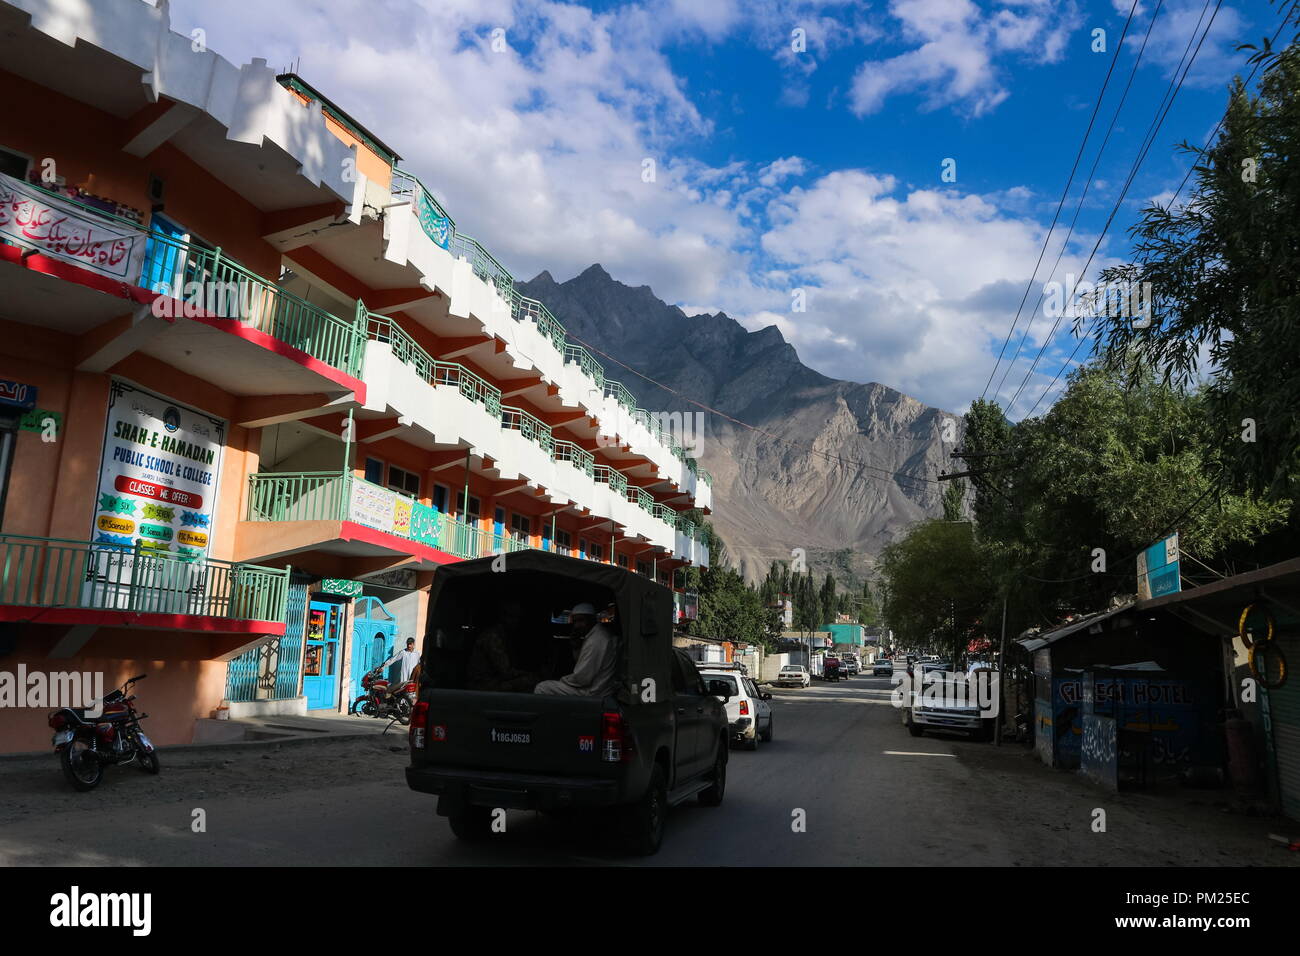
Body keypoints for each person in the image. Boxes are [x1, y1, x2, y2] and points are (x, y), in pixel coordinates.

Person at [534, 602, 618, 697]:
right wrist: (576, 647)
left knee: (542, 687)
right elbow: (583, 665)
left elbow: (582, 678)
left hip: (593, 692)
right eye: (575, 621)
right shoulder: (594, 635)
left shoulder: (596, 640)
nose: (577, 625)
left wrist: (561, 680)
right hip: (595, 688)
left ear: (592, 619)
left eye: (581, 620)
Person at [467, 599, 541, 692]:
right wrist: (532, 674)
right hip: (482, 685)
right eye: (513, 617)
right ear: (503, 616)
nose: (516, 621)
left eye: (518, 617)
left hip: (491, 681)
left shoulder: (504, 636)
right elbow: (505, 671)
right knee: (532, 681)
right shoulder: (493, 636)